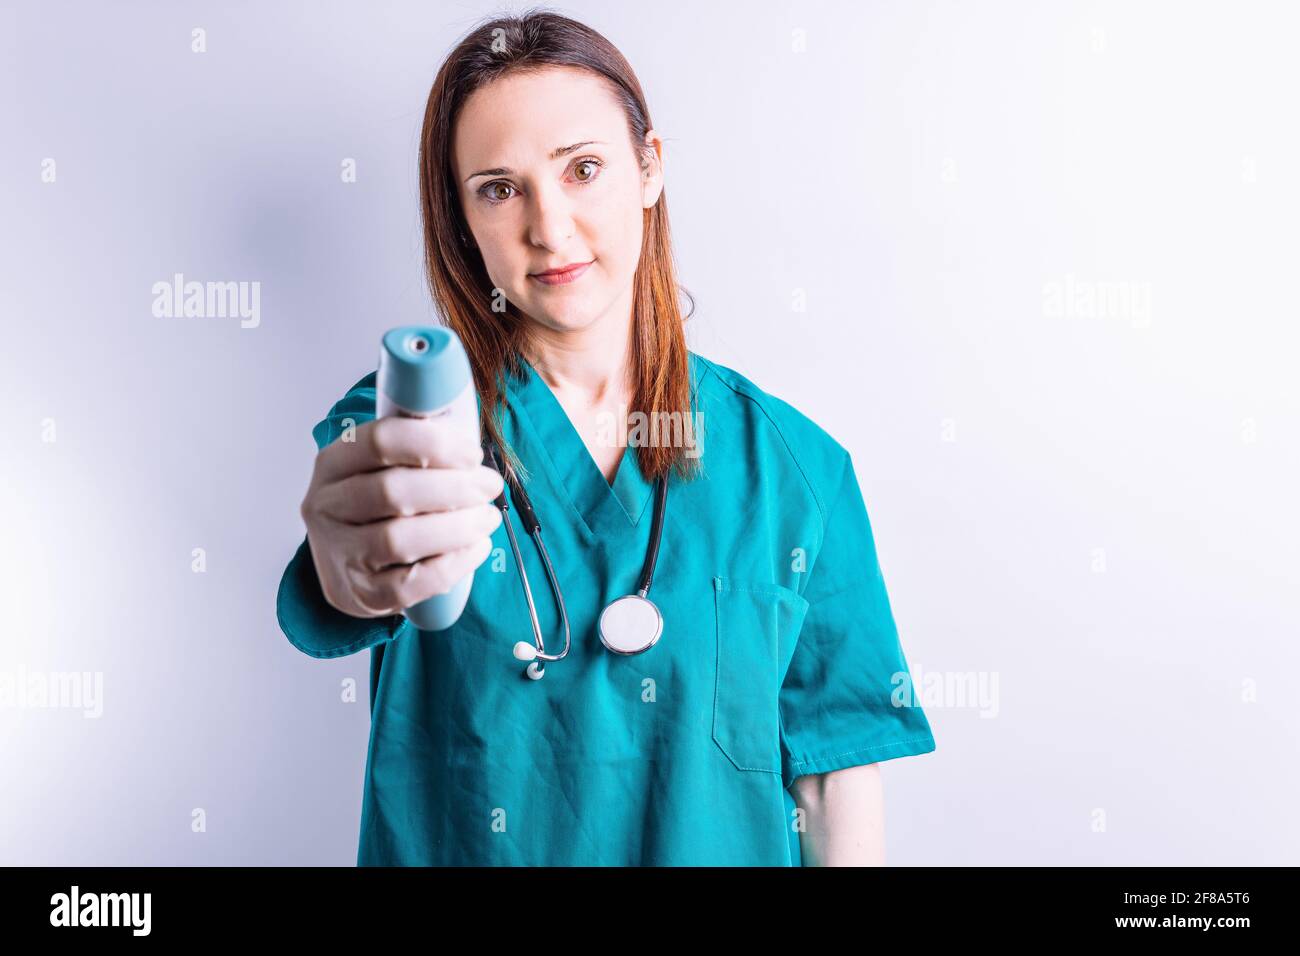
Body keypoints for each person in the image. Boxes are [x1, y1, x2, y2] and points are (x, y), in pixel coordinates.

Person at [276, 8, 935, 866]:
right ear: (462, 218)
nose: (549, 229)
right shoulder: (411, 428)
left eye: (583, 169)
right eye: (499, 188)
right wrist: (358, 562)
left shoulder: (794, 469)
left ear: (649, 169)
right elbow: (354, 558)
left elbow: (831, 779)